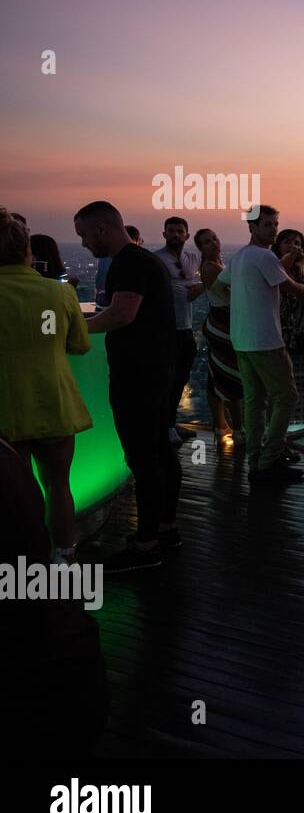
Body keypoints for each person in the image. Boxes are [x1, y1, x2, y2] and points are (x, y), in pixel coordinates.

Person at [75, 201, 182, 572]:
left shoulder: (128, 263)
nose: (85, 244)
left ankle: (146, 545)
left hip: (137, 375)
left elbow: (123, 314)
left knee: (143, 457)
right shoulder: (144, 260)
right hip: (157, 370)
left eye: (85, 235)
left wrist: (76, 329)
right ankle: (165, 528)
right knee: (159, 451)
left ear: (102, 228)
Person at [0, 435, 109, 756]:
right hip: (68, 680)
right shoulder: (8, 463)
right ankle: (65, 556)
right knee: (57, 479)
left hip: (39, 700)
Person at [0, 210, 93, 563]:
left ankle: (23, 556)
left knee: (14, 493)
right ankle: (63, 553)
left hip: (7, 406)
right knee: (58, 484)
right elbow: (80, 345)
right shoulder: (58, 293)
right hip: (54, 401)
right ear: (27, 249)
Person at [218, 205, 304, 486]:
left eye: (275, 224)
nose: (274, 229)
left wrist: (244, 301)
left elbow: (219, 285)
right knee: (286, 396)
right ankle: (269, 459)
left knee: (255, 401)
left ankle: (256, 461)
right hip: (266, 340)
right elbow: (294, 291)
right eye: (268, 225)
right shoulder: (263, 257)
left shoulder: (239, 258)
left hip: (242, 339)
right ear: (252, 227)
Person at [155, 217, 205, 442]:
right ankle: (163, 427)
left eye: (179, 231)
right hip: (164, 329)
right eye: (171, 231)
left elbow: (217, 273)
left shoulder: (193, 259)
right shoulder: (156, 260)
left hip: (184, 326)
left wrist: (202, 286)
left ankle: (170, 424)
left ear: (187, 235)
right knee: (166, 380)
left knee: (180, 378)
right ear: (164, 234)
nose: (175, 235)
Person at [195, 228, 243, 444]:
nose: (213, 243)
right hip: (224, 323)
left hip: (221, 322)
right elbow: (234, 296)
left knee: (217, 376)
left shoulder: (215, 265)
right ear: (201, 248)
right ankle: (238, 429)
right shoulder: (212, 268)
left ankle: (221, 426)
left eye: (214, 238)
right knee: (230, 376)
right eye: (207, 242)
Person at [272, 228, 304, 420]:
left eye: (297, 243)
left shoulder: (298, 272)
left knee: (290, 389)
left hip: (292, 338)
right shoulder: (273, 268)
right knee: (280, 391)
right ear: (278, 245)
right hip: (274, 335)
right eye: (288, 242)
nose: (293, 247)